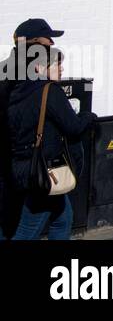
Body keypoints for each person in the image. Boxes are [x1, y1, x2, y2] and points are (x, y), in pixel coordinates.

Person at [6, 45, 95, 240]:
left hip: (24, 166)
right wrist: (88, 116)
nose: (61, 69)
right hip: (44, 172)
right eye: (57, 64)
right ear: (39, 68)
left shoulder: (18, 90)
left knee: (63, 218)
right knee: (28, 230)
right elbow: (73, 126)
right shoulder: (49, 91)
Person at [0, 19, 63, 240]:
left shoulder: (9, 67)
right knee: (21, 222)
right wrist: (51, 84)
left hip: (14, 157)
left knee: (10, 218)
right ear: (34, 42)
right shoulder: (27, 75)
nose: (52, 42)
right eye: (48, 38)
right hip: (21, 158)